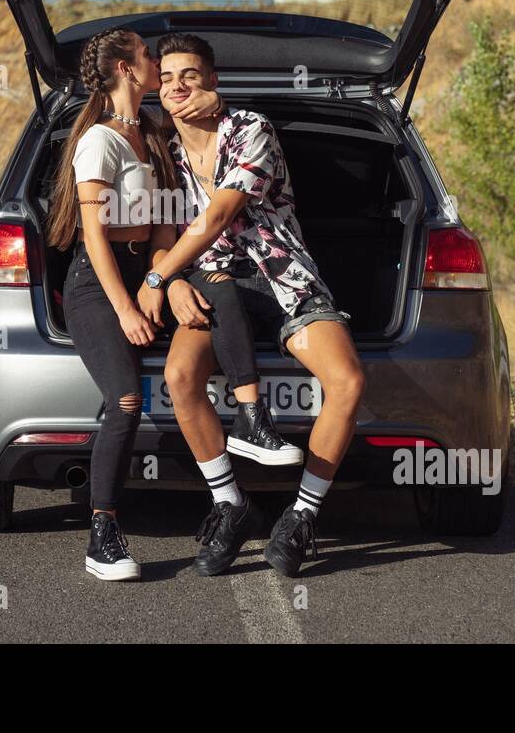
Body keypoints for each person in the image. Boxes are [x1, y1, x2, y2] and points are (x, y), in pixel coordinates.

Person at [137, 32, 366, 578]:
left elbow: (216, 218)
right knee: (179, 374)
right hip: (215, 283)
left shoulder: (250, 129)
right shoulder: (163, 153)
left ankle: (302, 515)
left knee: (349, 381)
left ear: (212, 81)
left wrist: (154, 277)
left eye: (189, 75)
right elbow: (164, 234)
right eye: (166, 78)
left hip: (283, 280)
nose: (177, 86)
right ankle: (230, 505)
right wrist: (169, 283)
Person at [45, 25, 258, 581]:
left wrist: (166, 279)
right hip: (100, 283)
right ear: (124, 68)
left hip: (148, 275)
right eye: (147, 55)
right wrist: (124, 308)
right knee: (125, 403)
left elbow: (167, 221)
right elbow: (94, 235)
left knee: (201, 338)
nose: (156, 61)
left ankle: (234, 480)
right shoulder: (98, 140)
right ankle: (103, 532)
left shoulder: (153, 131)